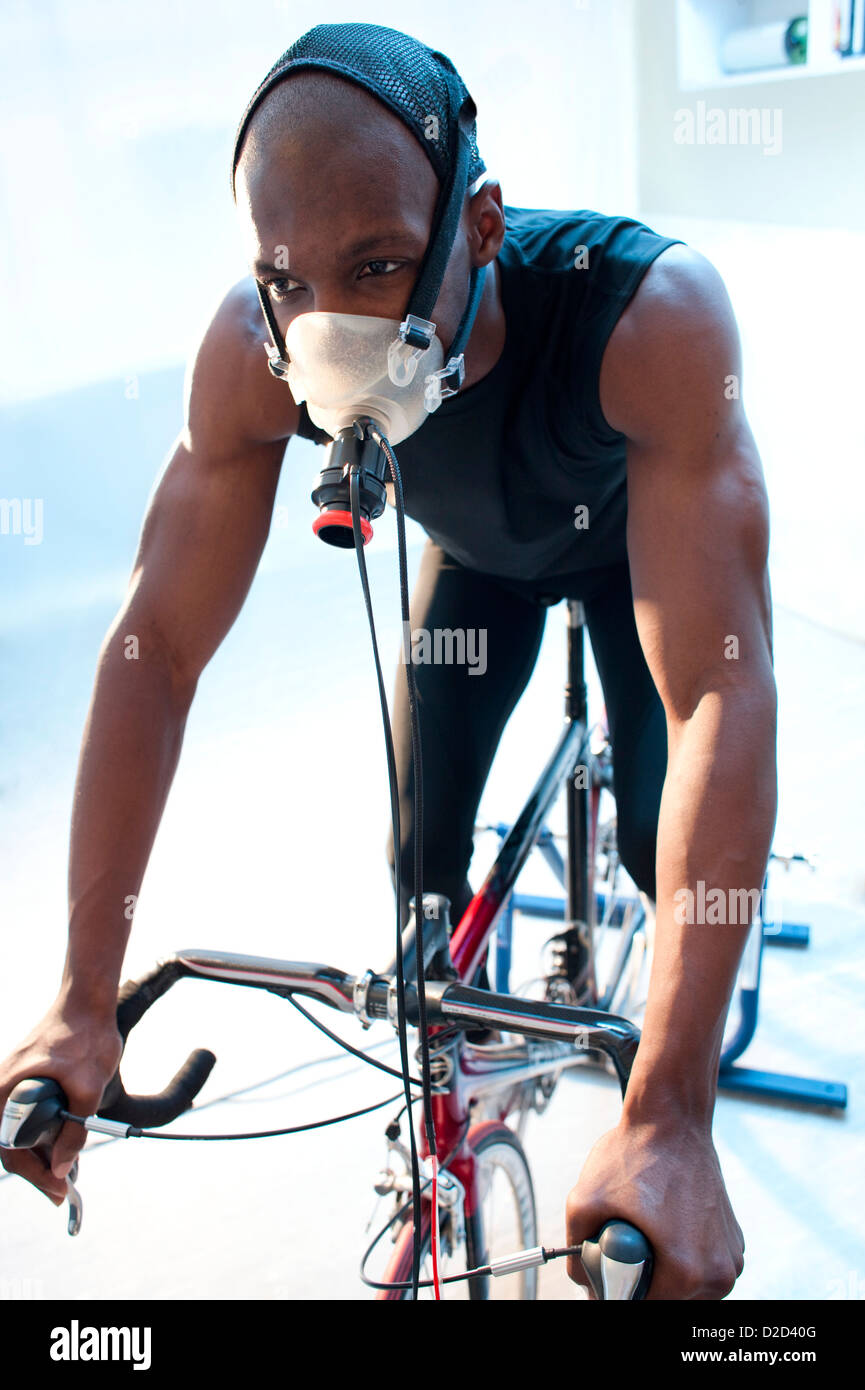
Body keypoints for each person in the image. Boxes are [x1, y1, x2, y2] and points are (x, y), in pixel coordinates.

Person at [0, 23, 776, 1300]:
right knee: (415, 856)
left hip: (641, 557)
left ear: (478, 225)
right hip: (473, 563)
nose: (331, 326)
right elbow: (153, 652)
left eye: (377, 264)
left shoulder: (649, 312)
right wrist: (83, 995)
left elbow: (718, 690)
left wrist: (671, 1110)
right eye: (290, 280)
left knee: (658, 842)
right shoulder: (254, 351)